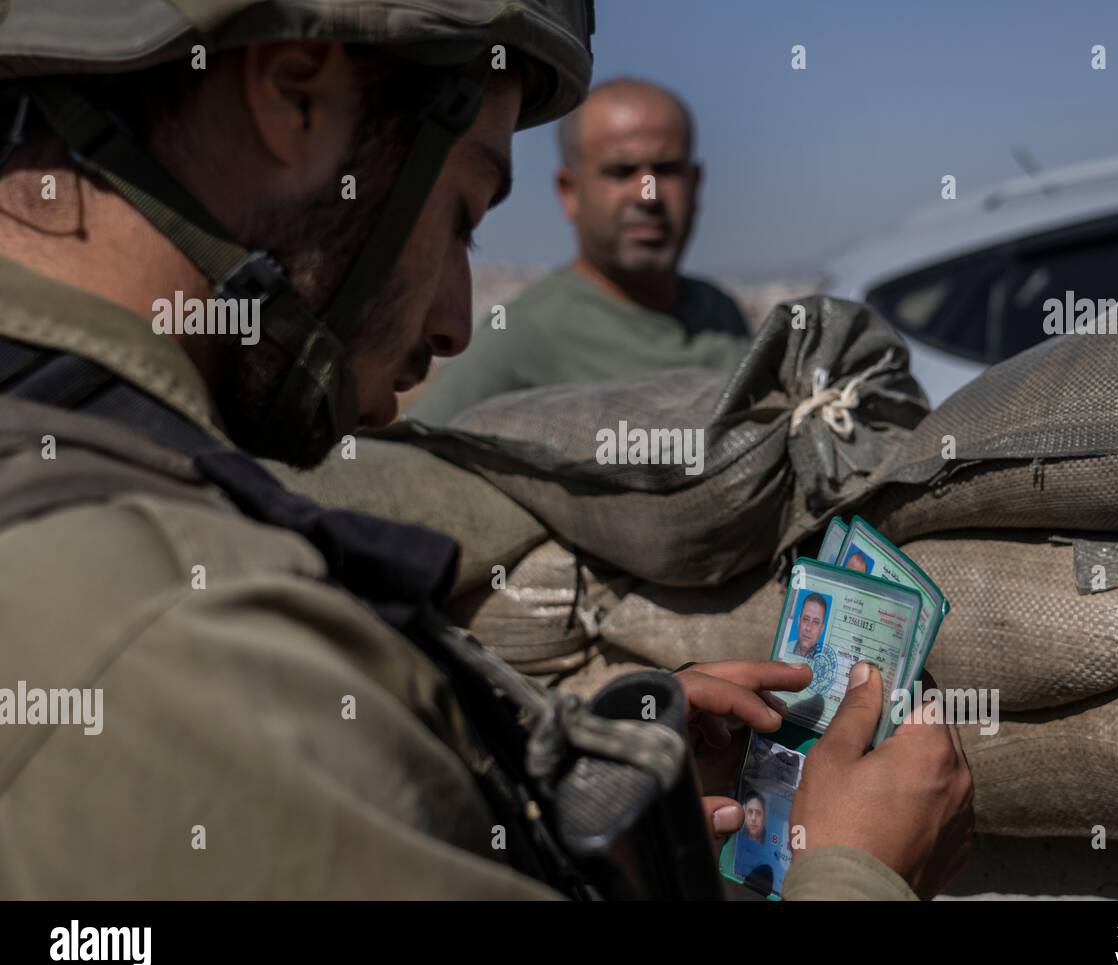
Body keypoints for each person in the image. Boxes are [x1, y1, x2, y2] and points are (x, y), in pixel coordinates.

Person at [0, 0, 972, 900]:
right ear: (294, 98)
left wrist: (567, 768)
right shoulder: (183, 649)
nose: (456, 319)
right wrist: (853, 870)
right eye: (461, 210)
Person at [407, 76, 751, 425]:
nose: (648, 195)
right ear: (569, 191)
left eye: (667, 170)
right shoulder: (524, 335)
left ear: (695, 184)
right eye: (622, 172)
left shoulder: (721, 316)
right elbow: (407, 458)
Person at [792, 593, 830, 659]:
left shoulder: (824, 662)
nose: (808, 628)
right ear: (799, 620)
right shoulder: (781, 649)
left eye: (815, 622)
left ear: (822, 628)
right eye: (806, 619)